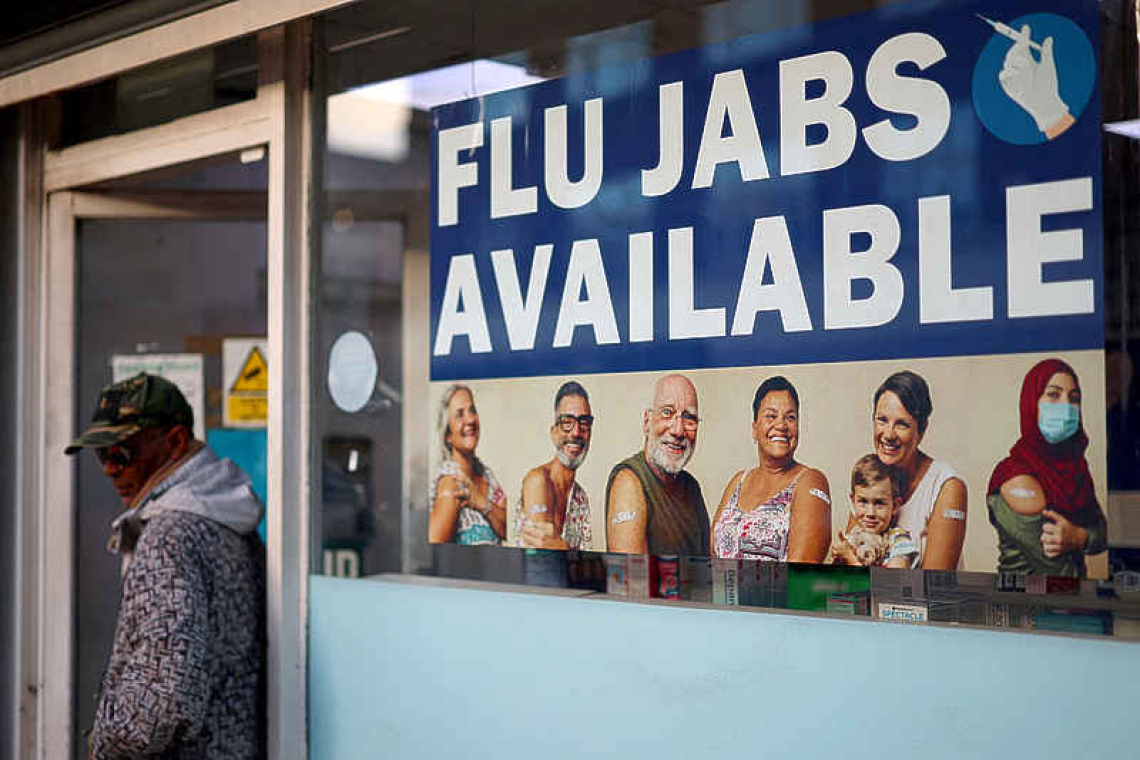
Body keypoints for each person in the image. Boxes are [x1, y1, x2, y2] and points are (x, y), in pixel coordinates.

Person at [64, 373, 265, 759]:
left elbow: (159, 701)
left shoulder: (168, 538)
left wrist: (104, 746)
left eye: (121, 453)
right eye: (101, 455)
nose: (109, 469)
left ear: (174, 442)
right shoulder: (227, 521)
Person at [987, 358, 1108, 577]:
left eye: (1074, 398)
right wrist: (1087, 538)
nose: (1066, 407)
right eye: (1053, 394)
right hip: (1025, 596)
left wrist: (1079, 537)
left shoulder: (1075, 468)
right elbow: (1061, 574)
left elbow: (1104, 533)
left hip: (1071, 593)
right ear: (1031, 403)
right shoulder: (1015, 477)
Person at [711, 376, 831, 562]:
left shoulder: (811, 481)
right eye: (771, 416)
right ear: (754, 428)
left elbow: (800, 573)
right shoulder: (738, 481)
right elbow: (711, 556)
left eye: (790, 417)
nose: (781, 425)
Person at [867, 370, 967, 569]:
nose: (889, 434)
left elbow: (933, 583)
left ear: (921, 430)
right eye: (882, 420)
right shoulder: (870, 474)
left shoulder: (947, 487)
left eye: (902, 424)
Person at [605, 373, 709, 555]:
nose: (678, 430)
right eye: (667, 413)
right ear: (647, 422)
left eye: (689, 418)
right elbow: (632, 571)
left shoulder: (691, 487)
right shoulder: (629, 482)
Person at [515, 381, 595, 550]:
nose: (576, 432)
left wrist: (562, 547)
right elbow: (543, 556)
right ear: (554, 433)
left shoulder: (581, 498)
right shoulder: (538, 480)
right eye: (567, 422)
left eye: (584, 422)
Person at [429, 384, 507, 544]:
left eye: (472, 410)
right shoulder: (451, 484)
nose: (470, 419)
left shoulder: (488, 477)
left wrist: (481, 502)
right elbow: (433, 548)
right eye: (459, 414)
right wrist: (494, 511)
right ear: (448, 435)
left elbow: (508, 531)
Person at [830, 454, 918, 568]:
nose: (870, 513)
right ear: (853, 501)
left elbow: (895, 578)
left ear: (895, 505)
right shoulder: (853, 536)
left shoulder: (899, 541)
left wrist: (851, 559)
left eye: (879, 503)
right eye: (863, 501)